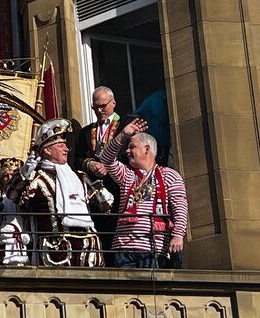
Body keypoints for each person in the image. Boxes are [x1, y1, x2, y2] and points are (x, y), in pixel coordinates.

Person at [99, 117, 188, 268]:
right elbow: (106, 159)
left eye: (132, 147)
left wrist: (178, 235)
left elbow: (180, 207)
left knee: (150, 291)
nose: (127, 151)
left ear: (147, 149)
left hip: (154, 248)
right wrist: (123, 136)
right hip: (123, 248)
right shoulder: (127, 174)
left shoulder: (169, 175)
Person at [19, 119, 109, 268]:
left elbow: (102, 208)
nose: (66, 149)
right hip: (56, 252)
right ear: (47, 150)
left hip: (88, 252)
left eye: (66, 145)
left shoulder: (79, 177)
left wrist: (103, 196)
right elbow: (15, 196)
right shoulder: (37, 178)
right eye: (61, 146)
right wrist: (24, 174)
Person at [74, 86, 133, 259]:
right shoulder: (86, 131)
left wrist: (110, 165)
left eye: (103, 106)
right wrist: (90, 164)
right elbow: (77, 159)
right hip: (96, 193)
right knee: (101, 232)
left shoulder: (127, 125)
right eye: (95, 108)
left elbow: (133, 154)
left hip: (120, 188)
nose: (99, 111)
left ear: (113, 103)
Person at [0, 158, 30, 266]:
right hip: (1, 243)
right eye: (5, 175)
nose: (9, 178)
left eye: (12, 174)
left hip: (21, 242)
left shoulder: (24, 194)